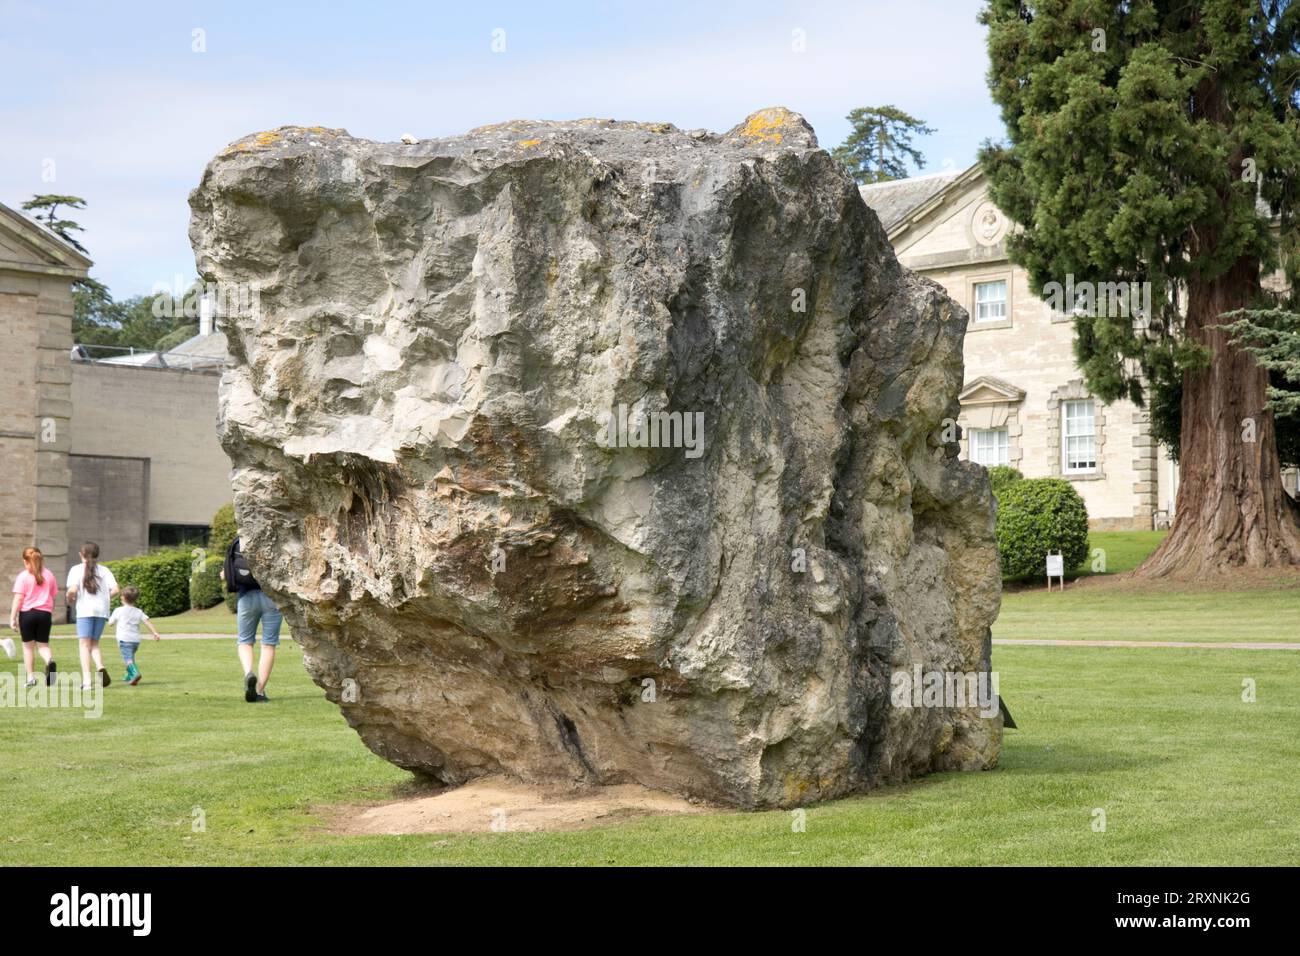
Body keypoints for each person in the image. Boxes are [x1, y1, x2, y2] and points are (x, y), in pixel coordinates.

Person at [222, 535, 281, 702]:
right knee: (269, 644)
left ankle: (249, 672)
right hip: (272, 598)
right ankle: (260, 691)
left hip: (246, 597)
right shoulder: (272, 538)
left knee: (245, 642)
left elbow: (226, 572)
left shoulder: (238, 541)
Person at [66, 541, 119, 689]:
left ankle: (87, 681)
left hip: (85, 611)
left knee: (84, 645)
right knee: (94, 644)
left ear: (81, 555)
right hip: (101, 611)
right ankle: (100, 666)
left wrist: (69, 597)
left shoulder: (76, 570)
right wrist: (104, 598)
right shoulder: (105, 570)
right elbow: (115, 590)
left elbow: (73, 589)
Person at [8, 547, 58, 687]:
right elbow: (53, 596)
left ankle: (30, 678)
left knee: (28, 647)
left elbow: (18, 599)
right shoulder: (49, 575)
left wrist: (12, 618)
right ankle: (49, 661)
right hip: (44, 614)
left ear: (25, 561)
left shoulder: (23, 576)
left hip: (28, 614)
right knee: (43, 645)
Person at [108, 586, 160, 685]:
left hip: (124, 640)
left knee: (128, 659)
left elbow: (110, 623)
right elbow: (147, 622)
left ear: (122, 597)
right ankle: (129, 675)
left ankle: (135, 674)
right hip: (135, 641)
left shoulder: (118, 610)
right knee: (130, 657)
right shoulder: (138, 611)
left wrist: (109, 617)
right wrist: (155, 632)